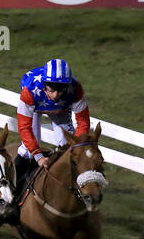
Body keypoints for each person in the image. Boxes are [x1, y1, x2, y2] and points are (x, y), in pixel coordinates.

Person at [13, 58, 90, 190]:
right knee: (27, 150)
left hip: (60, 109)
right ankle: (13, 189)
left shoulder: (75, 89)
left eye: (61, 89)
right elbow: (24, 127)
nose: (55, 95)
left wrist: (77, 146)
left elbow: (83, 122)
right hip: (35, 107)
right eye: (51, 89)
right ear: (44, 84)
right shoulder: (30, 89)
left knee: (67, 147)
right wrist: (38, 157)